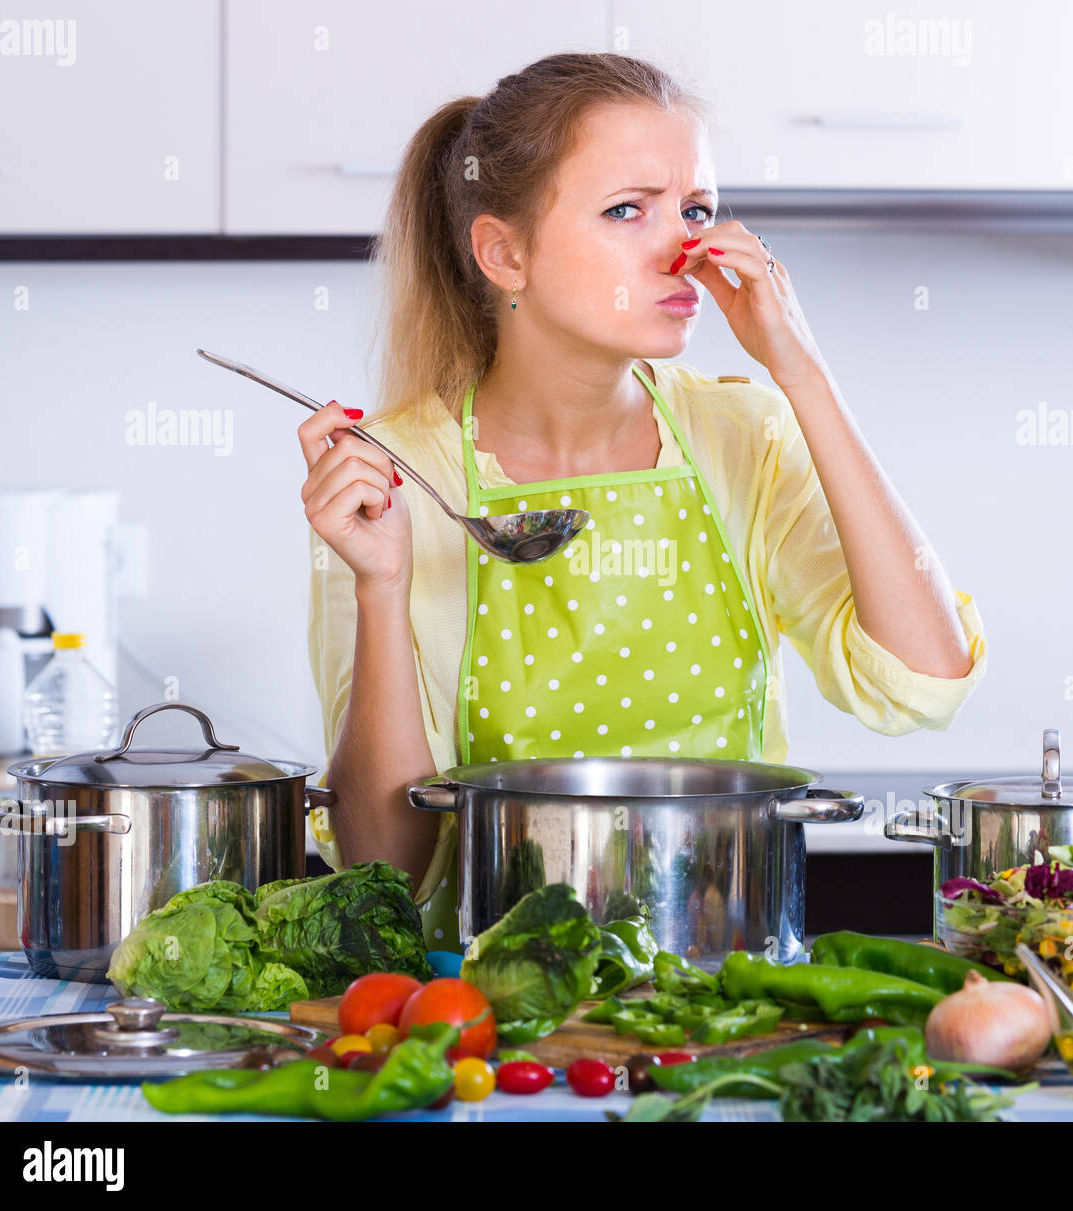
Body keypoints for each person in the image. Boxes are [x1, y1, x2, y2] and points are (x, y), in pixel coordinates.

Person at [300, 53, 988, 951]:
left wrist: (803, 373)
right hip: (489, 1016)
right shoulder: (397, 473)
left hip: (726, 991)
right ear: (505, 253)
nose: (684, 249)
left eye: (695, 210)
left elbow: (923, 683)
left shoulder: (744, 435)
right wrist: (380, 586)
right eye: (629, 209)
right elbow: (389, 864)